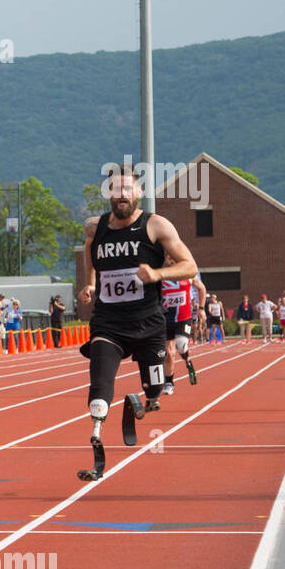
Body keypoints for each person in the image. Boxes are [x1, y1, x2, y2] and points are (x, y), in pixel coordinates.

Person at [76, 164, 197, 481]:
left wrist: (157, 273)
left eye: (127, 188)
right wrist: (91, 282)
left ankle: (144, 403)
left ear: (139, 192)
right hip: (109, 324)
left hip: (148, 325)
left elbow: (189, 266)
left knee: (154, 389)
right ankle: (97, 439)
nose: (121, 194)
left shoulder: (156, 226)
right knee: (100, 385)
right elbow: (90, 247)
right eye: (115, 189)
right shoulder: (95, 227)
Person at [160, 264, 203, 395]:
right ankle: (169, 382)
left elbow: (201, 288)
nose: (171, 260)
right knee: (168, 353)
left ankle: (187, 359)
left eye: (174, 257)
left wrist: (201, 308)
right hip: (166, 318)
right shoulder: (161, 274)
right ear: (166, 259)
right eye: (169, 257)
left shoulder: (188, 273)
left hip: (183, 317)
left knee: (181, 346)